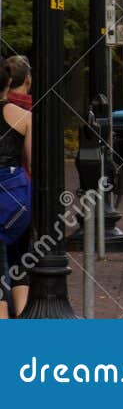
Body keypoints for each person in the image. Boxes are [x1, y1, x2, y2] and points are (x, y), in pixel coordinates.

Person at [0, 61, 32, 318]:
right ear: (8, 83)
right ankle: (22, 317)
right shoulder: (24, 117)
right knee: (21, 257)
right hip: (16, 195)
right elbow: (31, 161)